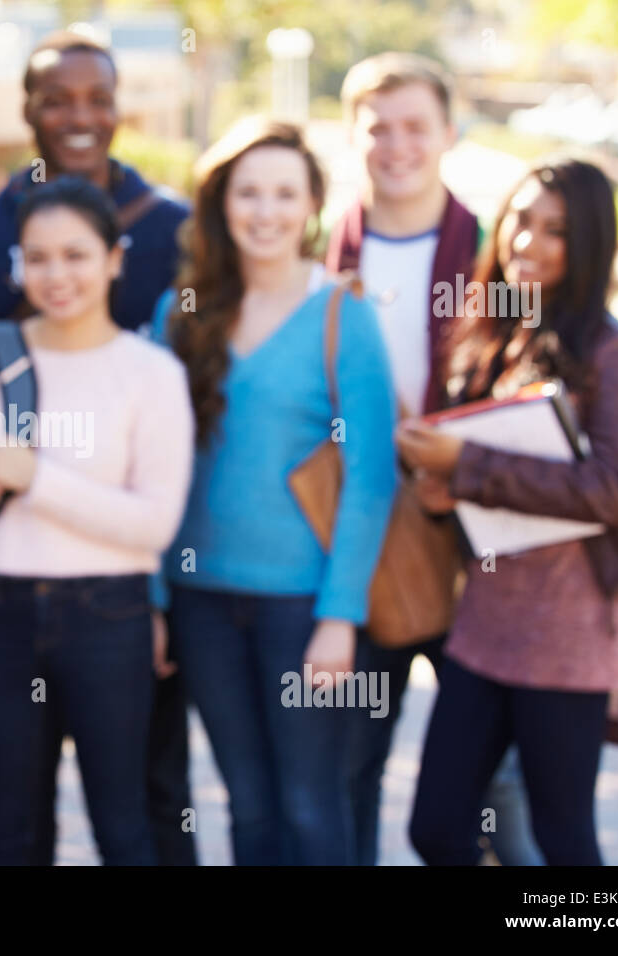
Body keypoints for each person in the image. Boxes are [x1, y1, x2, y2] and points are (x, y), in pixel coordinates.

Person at [0, 29, 199, 866]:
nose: (59, 273)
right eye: (39, 258)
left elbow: (152, 526)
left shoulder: (150, 373)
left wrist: (34, 476)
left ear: (115, 261)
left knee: (128, 825)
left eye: (78, 255)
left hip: (110, 617)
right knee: (10, 830)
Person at [151, 117, 397, 865]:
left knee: (309, 805)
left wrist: (339, 617)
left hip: (302, 608)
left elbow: (371, 478)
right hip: (202, 607)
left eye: (285, 193)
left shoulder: (343, 316)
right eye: (248, 192)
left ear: (313, 204)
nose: (266, 211)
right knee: (248, 807)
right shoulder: (181, 315)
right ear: (222, 203)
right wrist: (160, 602)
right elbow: (160, 467)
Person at [402, 158, 618, 866]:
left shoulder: (607, 348)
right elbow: (470, 483)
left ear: (590, 244)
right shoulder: (484, 334)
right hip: (484, 623)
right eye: (521, 221)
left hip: (566, 632)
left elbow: (610, 488)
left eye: (557, 231)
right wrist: (440, 494)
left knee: (564, 838)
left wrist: (468, 468)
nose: (530, 244)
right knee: (438, 828)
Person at [326, 51, 541, 866]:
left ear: (450, 132)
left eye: (417, 125)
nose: (397, 144)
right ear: (354, 135)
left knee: (495, 779)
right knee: (352, 765)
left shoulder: (495, 255)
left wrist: (457, 454)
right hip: (367, 544)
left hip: (474, 548)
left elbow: (534, 394)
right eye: (379, 127)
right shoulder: (324, 250)